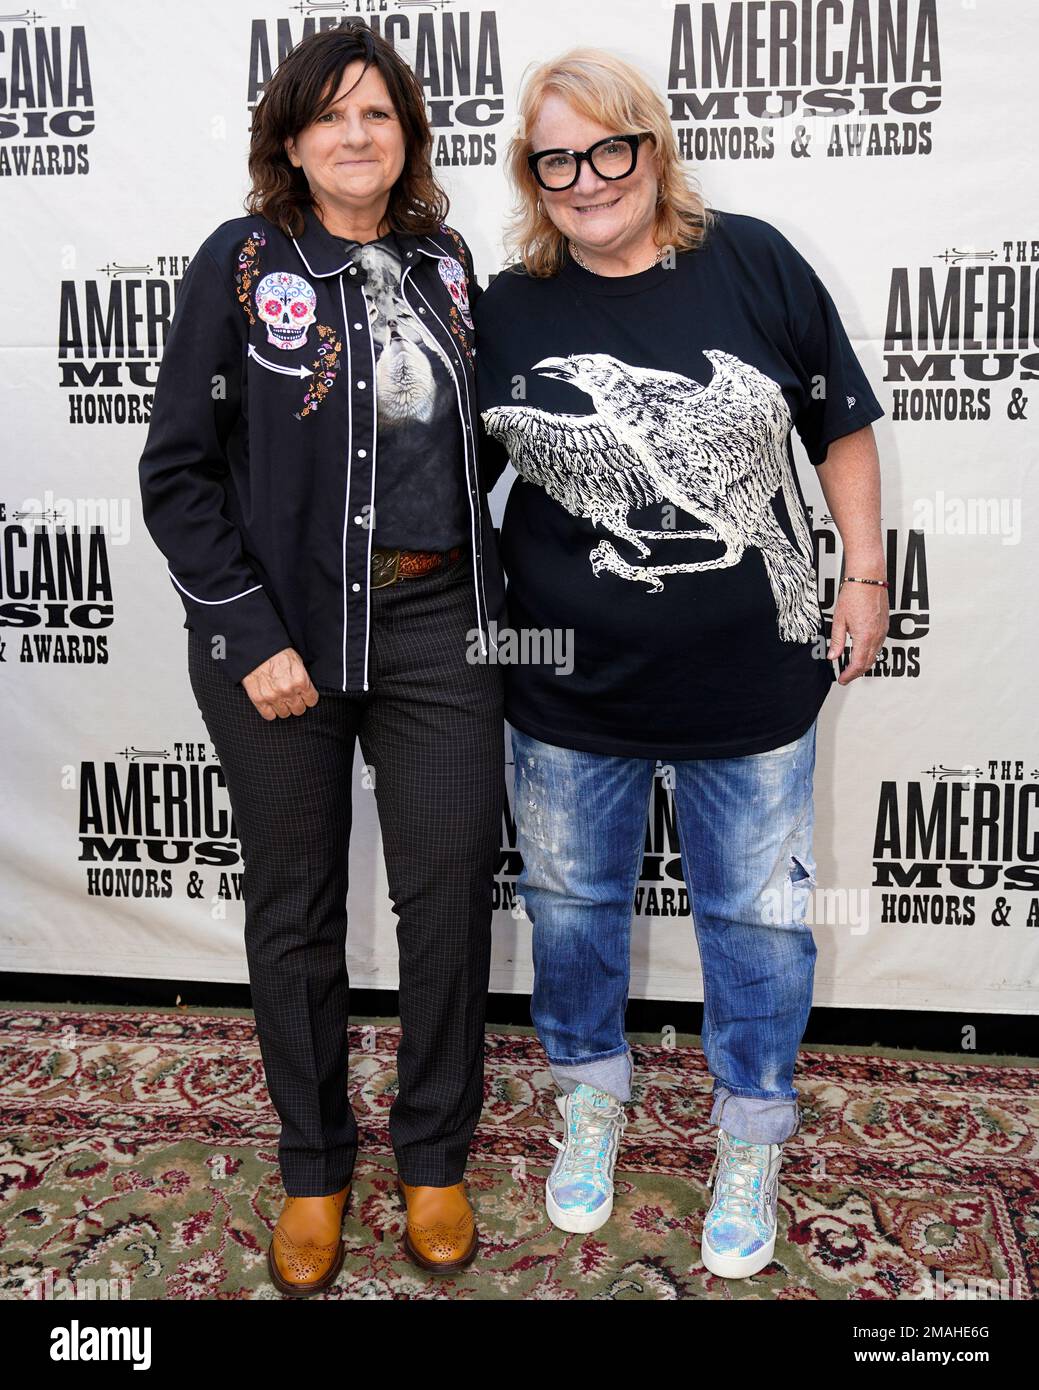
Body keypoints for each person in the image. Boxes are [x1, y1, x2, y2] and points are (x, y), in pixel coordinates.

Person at [474, 47, 888, 1280]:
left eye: (611, 148)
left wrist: (861, 575)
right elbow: (445, 471)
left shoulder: (752, 260)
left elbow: (841, 429)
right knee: (571, 911)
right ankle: (590, 1101)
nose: (588, 178)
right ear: (533, 178)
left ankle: (751, 1130)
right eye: (557, 159)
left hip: (750, 676)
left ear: (653, 149)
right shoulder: (509, 305)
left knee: (757, 924)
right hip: (562, 684)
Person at [138, 21, 506, 1294]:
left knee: (448, 892)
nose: (358, 137)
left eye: (381, 116)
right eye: (331, 116)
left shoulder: (448, 264)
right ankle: (313, 1167)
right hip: (277, 635)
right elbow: (178, 472)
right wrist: (247, 630)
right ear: (290, 139)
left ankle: (433, 1153)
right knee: (295, 910)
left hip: (438, 624)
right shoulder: (239, 264)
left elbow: (480, 449)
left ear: (407, 138)